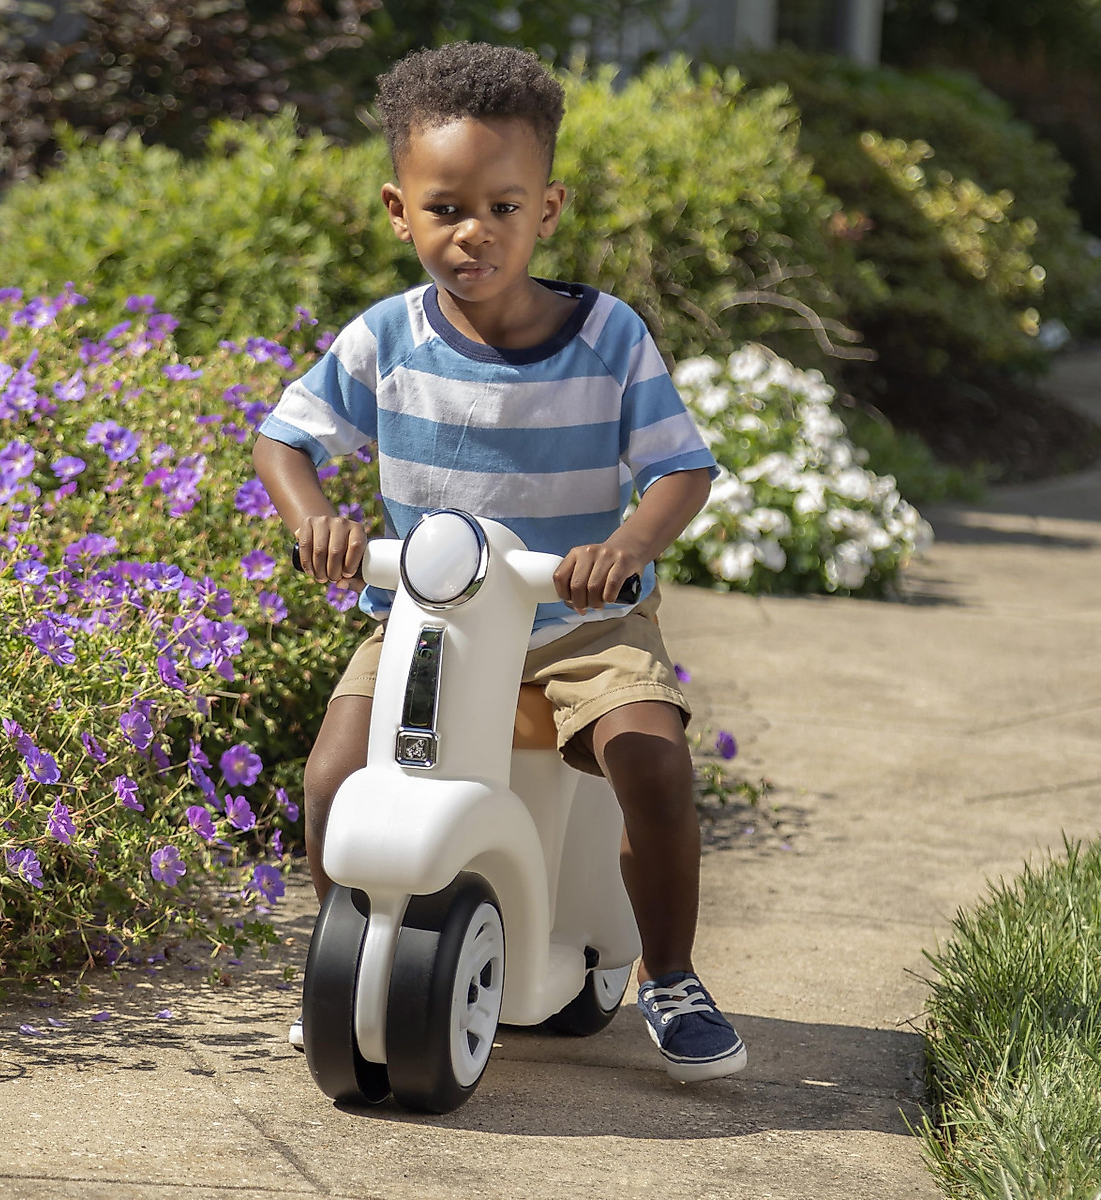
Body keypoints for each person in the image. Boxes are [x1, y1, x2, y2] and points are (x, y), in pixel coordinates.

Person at [251, 41, 746, 1083]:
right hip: (432, 624)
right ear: (399, 211)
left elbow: (681, 471)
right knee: (335, 776)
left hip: (580, 623)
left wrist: (624, 549)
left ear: (548, 208)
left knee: (649, 755)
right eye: (444, 209)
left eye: (503, 208)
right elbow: (283, 438)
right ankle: (349, 958)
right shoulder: (384, 339)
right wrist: (317, 520)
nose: (473, 232)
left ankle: (670, 975)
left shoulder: (607, 339)